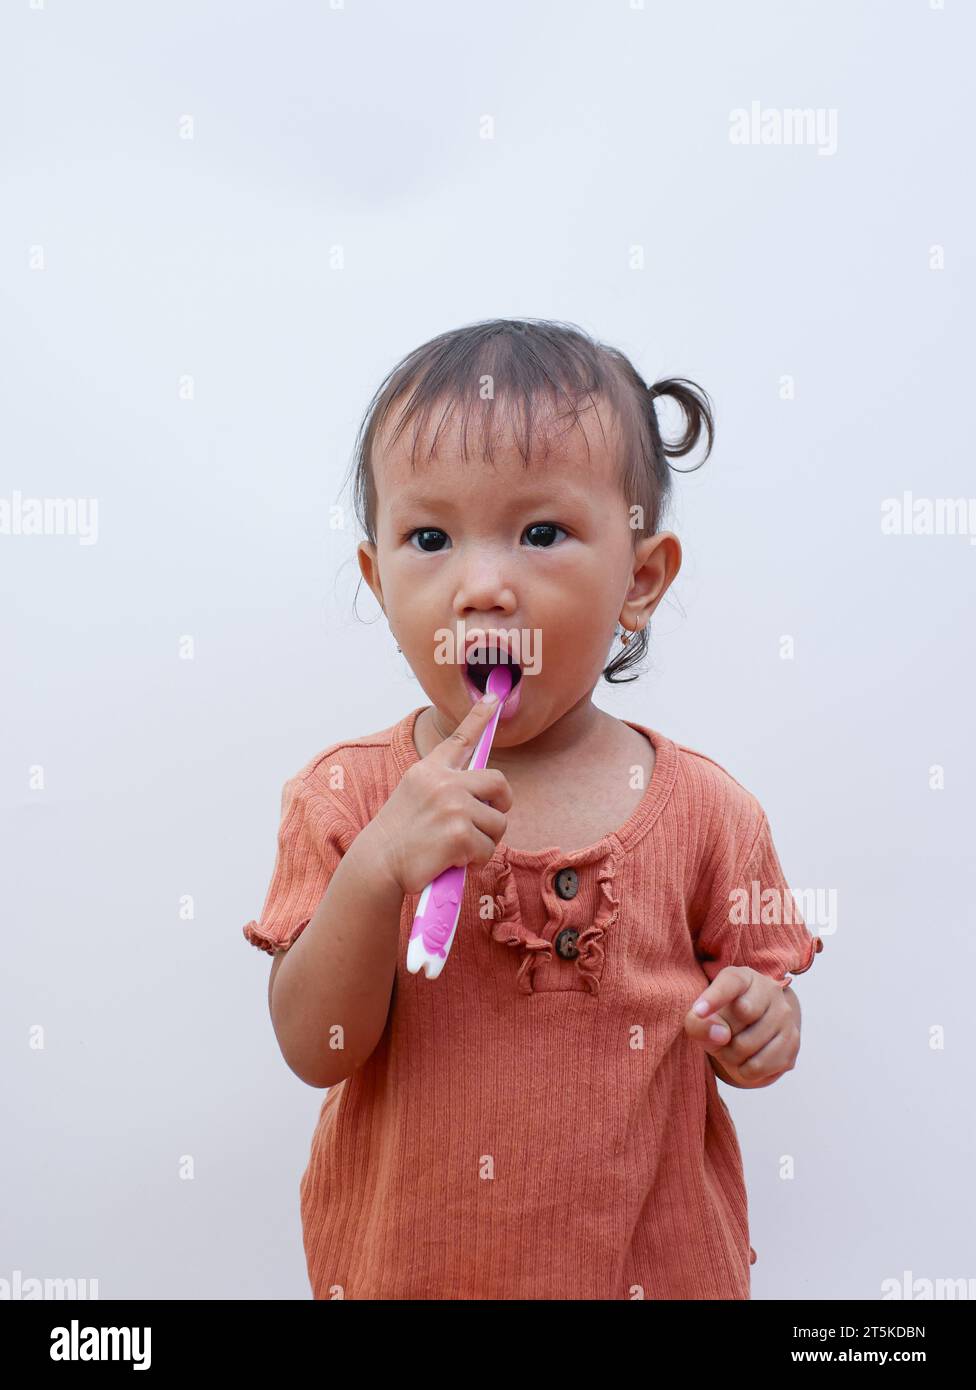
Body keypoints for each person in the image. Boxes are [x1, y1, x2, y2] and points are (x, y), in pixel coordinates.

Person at [242, 317, 824, 1299]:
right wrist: (379, 869)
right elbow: (316, 1049)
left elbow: (759, 1030)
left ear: (639, 579)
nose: (481, 585)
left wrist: (762, 1024)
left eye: (540, 533)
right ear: (380, 585)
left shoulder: (710, 813)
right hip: (410, 1274)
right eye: (430, 538)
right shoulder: (346, 797)